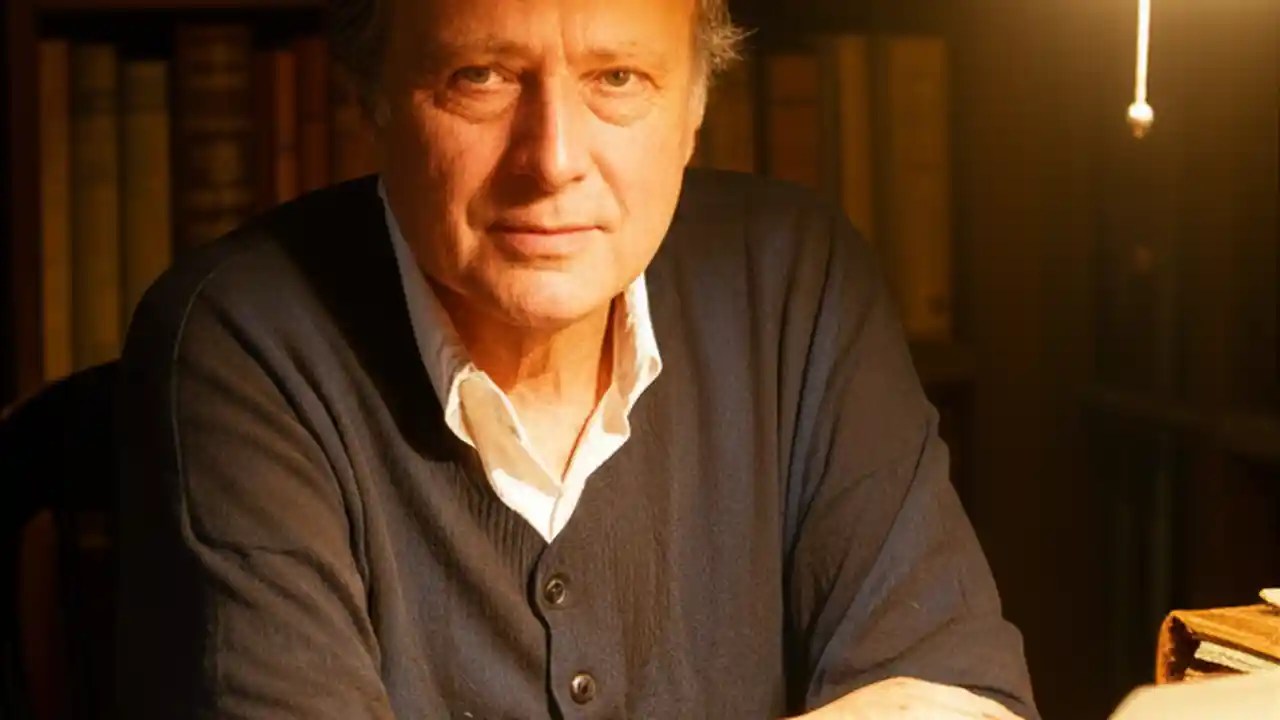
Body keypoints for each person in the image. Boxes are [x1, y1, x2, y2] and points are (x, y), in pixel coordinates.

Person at [115, 0, 1039, 717]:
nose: (551, 158)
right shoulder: (241, 341)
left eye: (620, 78)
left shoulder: (798, 282)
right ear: (370, 96)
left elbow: (959, 696)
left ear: (695, 106)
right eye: (480, 76)